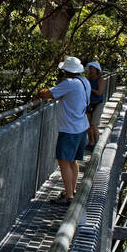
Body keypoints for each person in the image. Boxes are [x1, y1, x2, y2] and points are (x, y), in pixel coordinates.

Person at [33, 55, 91, 204]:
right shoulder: (85, 82)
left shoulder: (70, 83)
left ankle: (69, 196)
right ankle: (71, 190)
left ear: (67, 71)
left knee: (64, 161)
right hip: (82, 126)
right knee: (72, 161)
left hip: (70, 129)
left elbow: (48, 94)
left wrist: (39, 93)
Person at [85, 61, 105, 149]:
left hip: (98, 104)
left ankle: (97, 144)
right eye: (90, 69)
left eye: (92, 69)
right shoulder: (88, 79)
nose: (90, 70)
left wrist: (89, 88)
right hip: (89, 104)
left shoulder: (101, 80)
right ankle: (91, 143)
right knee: (88, 125)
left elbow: (99, 93)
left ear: (97, 70)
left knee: (94, 125)